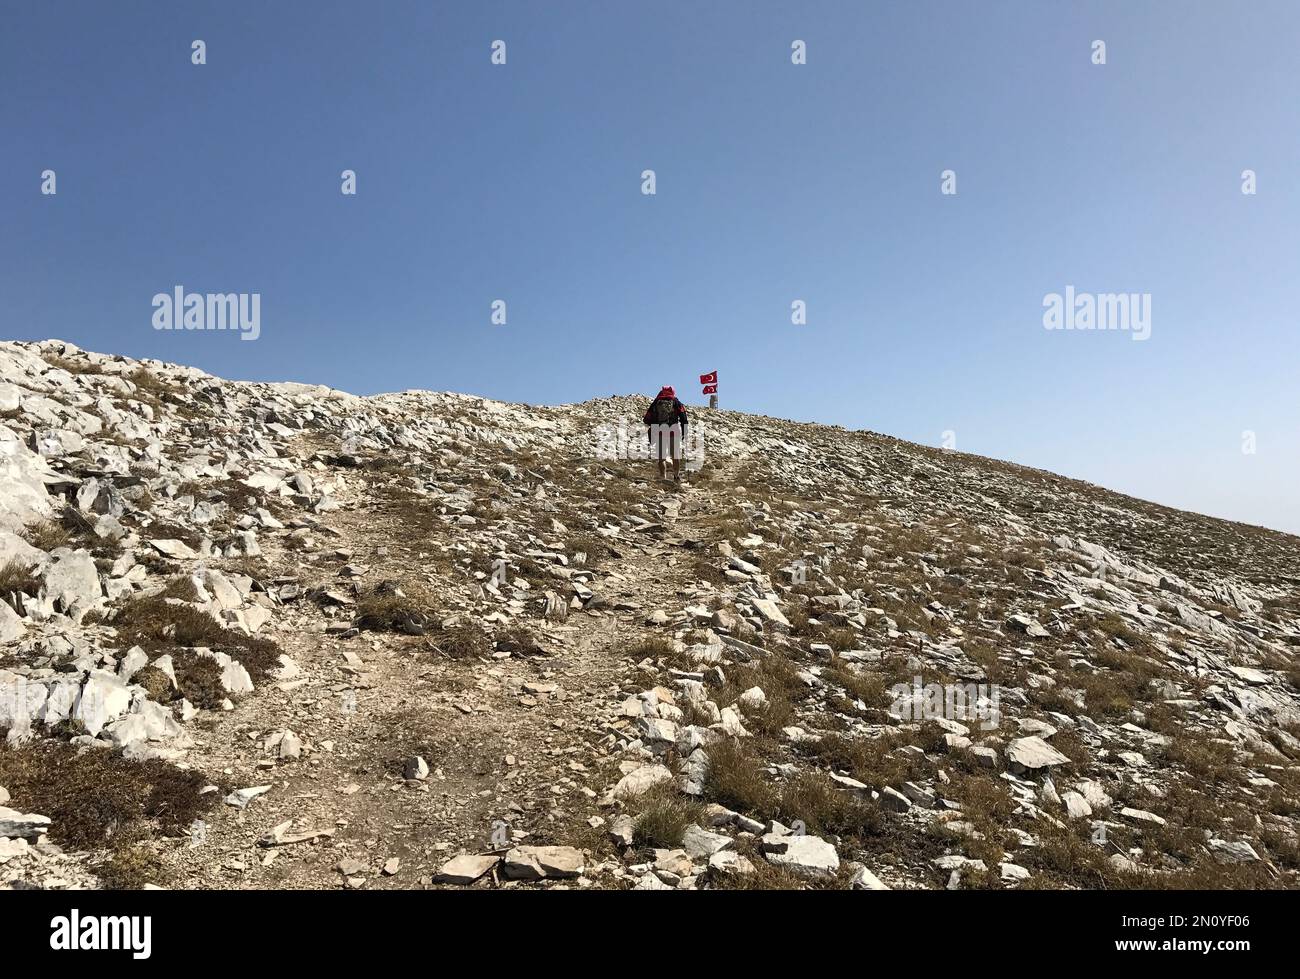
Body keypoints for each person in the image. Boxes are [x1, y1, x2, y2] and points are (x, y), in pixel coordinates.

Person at [643, 385, 688, 482]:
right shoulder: (676, 402)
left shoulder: (656, 402)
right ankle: (676, 476)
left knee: (662, 457)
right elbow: (684, 418)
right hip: (674, 432)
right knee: (675, 455)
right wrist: (684, 433)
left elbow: (646, 419)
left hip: (660, 432)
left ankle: (663, 477)